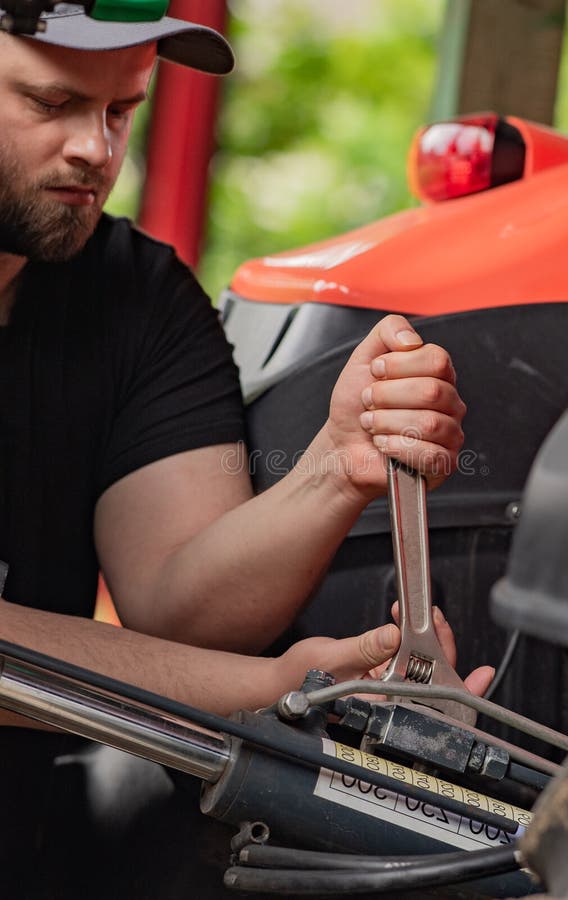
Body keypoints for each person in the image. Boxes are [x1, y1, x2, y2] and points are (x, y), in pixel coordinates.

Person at [0, 5, 492, 896]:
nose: (94, 150)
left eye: (121, 111)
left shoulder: (136, 299)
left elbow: (178, 610)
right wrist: (280, 686)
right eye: (51, 102)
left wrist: (334, 468)